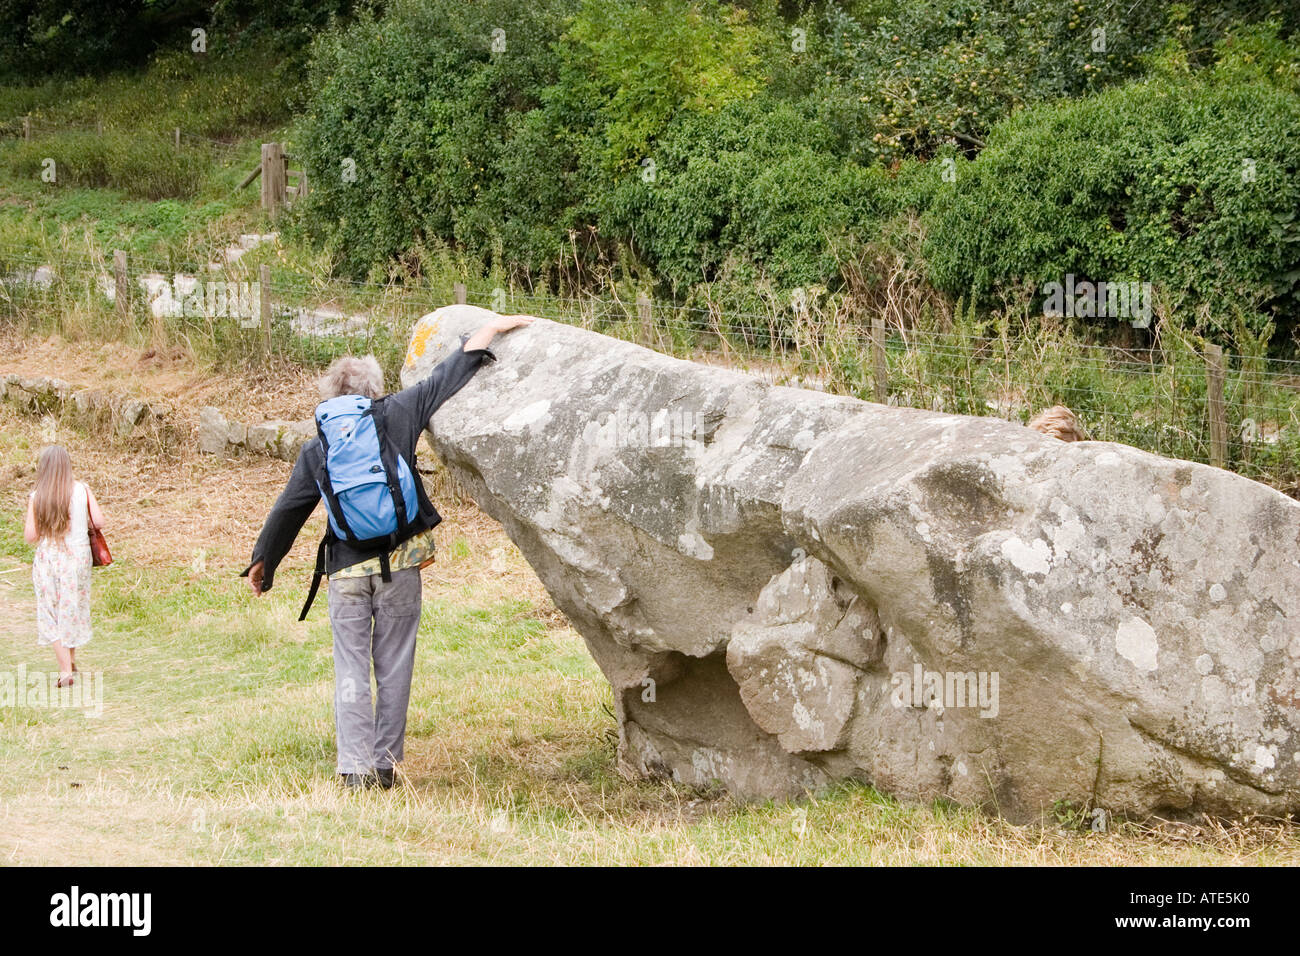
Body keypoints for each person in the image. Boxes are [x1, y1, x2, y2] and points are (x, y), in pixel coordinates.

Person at [244, 314, 532, 790]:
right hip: (401, 565)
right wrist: (491, 330)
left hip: (346, 571)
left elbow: (289, 508)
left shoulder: (318, 446)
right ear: (371, 390)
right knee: (394, 662)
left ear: (331, 397)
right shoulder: (397, 412)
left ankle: (353, 769)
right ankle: (385, 765)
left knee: (352, 666)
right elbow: (447, 376)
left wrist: (263, 562)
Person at [24, 445, 104, 687]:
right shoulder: (82, 490)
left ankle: (65, 671)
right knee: (72, 609)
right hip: (78, 558)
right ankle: (70, 662)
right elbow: (100, 521)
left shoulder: (38, 496)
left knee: (51, 612)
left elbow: (30, 536)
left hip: (50, 558)